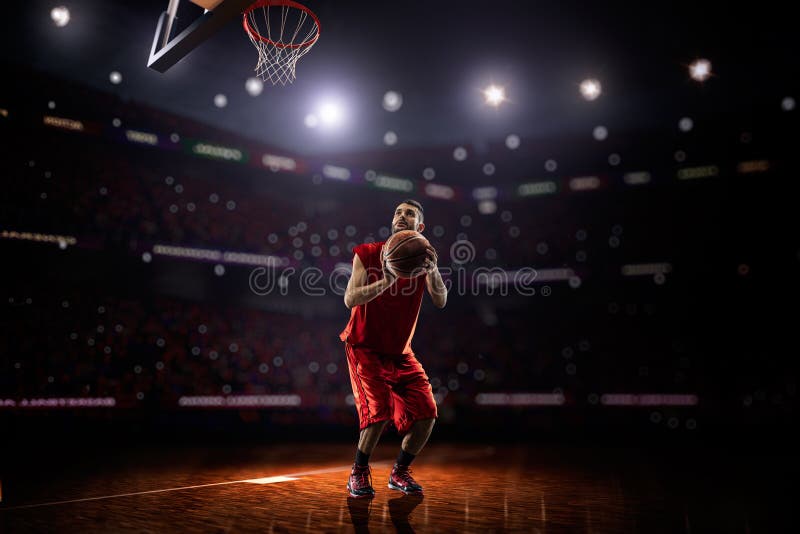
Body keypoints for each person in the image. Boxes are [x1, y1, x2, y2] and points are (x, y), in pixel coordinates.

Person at [340, 199, 447, 498]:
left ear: (420, 226)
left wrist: (435, 271)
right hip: (364, 347)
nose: (401, 216)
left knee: (427, 413)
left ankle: (399, 472)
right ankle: (358, 472)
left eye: (409, 213)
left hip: (400, 352)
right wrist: (388, 279)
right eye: (398, 212)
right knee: (380, 410)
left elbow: (441, 301)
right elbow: (350, 299)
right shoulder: (368, 253)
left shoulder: (423, 260)